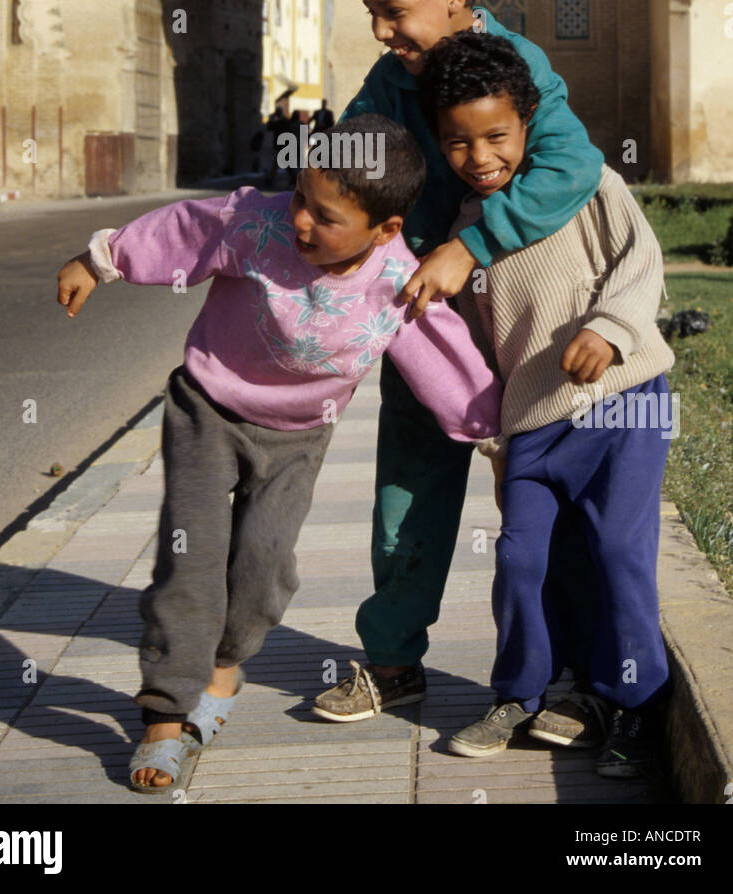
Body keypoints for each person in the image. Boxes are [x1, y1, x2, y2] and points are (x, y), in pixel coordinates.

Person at [56, 115, 501, 794]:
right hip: (207, 409)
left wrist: (493, 434)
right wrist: (101, 260)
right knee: (192, 559)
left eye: (324, 217)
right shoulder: (257, 224)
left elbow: (445, 358)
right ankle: (166, 715)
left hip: (298, 436)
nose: (299, 221)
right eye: (298, 198)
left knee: (264, 563)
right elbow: (188, 230)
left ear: (383, 229)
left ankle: (227, 664)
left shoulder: (397, 283)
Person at [313, 0, 604, 729]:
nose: (381, 30)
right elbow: (352, 167)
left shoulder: (515, 64)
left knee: (544, 500)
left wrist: (471, 246)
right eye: (372, 12)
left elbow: (571, 166)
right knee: (408, 490)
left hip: (531, 327)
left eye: (392, 11)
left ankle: (571, 674)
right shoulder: (391, 83)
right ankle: (394, 659)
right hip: (429, 327)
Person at [416, 29, 675, 777]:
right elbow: (472, 355)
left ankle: (631, 706)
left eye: (497, 135)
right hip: (532, 424)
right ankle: (522, 694)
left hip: (625, 404)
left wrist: (611, 329)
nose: (481, 156)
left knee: (619, 549)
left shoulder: (589, 183)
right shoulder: (466, 239)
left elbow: (642, 262)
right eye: (458, 142)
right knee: (522, 556)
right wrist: (495, 443)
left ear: (528, 124)